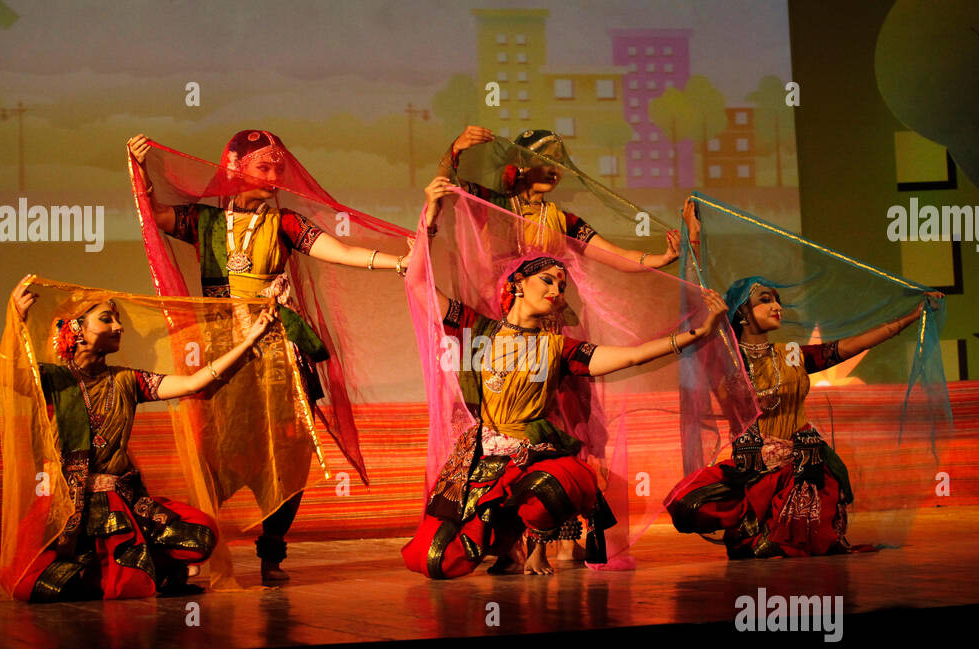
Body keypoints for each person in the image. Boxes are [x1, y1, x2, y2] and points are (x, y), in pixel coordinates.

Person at [401, 178, 729, 577]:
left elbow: (631, 356)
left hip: (531, 453)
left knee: (558, 487)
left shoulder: (560, 349)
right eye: (548, 280)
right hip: (480, 459)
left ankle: (529, 535)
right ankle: (500, 539)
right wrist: (430, 216)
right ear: (517, 285)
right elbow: (418, 283)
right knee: (434, 560)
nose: (558, 290)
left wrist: (701, 332)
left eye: (562, 284)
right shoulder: (476, 329)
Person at [128, 129, 412, 585]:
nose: (276, 176)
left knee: (289, 450)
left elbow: (339, 251)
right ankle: (191, 546)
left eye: (279, 167)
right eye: (265, 166)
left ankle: (271, 554)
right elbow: (155, 215)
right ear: (235, 169)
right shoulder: (205, 223)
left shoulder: (286, 223)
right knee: (216, 449)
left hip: (279, 352)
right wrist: (139, 172)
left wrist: (397, 262)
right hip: (224, 352)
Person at [0, 276, 276, 601]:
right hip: (70, 506)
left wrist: (250, 339)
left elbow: (195, 383)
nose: (118, 326)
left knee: (201, 536)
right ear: (76, 330)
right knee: (32, 585)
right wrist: (15, 319)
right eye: (106, 319)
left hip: (123, 503)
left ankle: (145, 568)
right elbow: (12, 375)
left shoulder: (128, 381)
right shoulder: (53, 380)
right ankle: (145, 571)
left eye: (117, 318)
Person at [664, 277, 943, 558]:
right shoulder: (725, 360)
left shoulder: (792, 355)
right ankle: (761, 527)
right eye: (765, 300)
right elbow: (692, 308)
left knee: (781, 544)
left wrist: (912, 316)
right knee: (687, 502)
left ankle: (781, 531)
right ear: (742, 313)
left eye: (777, 300)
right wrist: (695, 238)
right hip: (751, 465)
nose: (777, 307)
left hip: (801, 464)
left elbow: (850, 346)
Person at [437, 127, 681, 267]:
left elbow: (616, 256)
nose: (555, 170)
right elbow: (444, 186)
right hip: (497, 315)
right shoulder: (492, 204)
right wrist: (456, 148)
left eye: (559, 163)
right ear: (521, 163)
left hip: (546, 324)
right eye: (547, 161)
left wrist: (664, 257)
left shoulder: (564, 221)